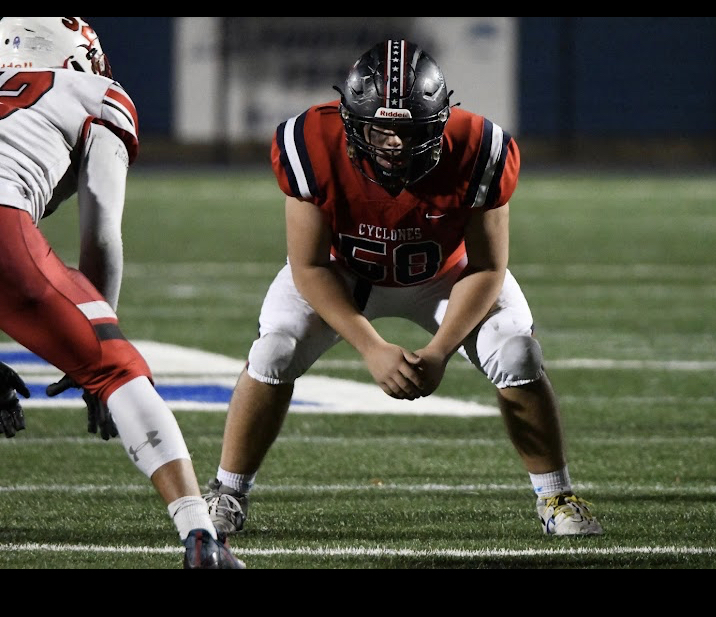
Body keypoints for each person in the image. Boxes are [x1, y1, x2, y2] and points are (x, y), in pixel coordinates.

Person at [203, 39, 603, 538]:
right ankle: (227, 490)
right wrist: (371, 348)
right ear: (352, 120)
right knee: (274, 350)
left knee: (518, 353)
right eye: (381, 128)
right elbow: (307, 265)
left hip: (445, 275)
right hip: (343, 270)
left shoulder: (480, 148)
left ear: (438, 120)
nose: (394, 143)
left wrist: (438, 352)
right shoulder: (311, 140)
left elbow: (487, 267)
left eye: (409, 129)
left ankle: (556, 495)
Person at [0, 17, 244, 568]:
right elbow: (101, 233)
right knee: (119, 368)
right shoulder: (92, 92)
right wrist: (96, 358)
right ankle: (201, 537)